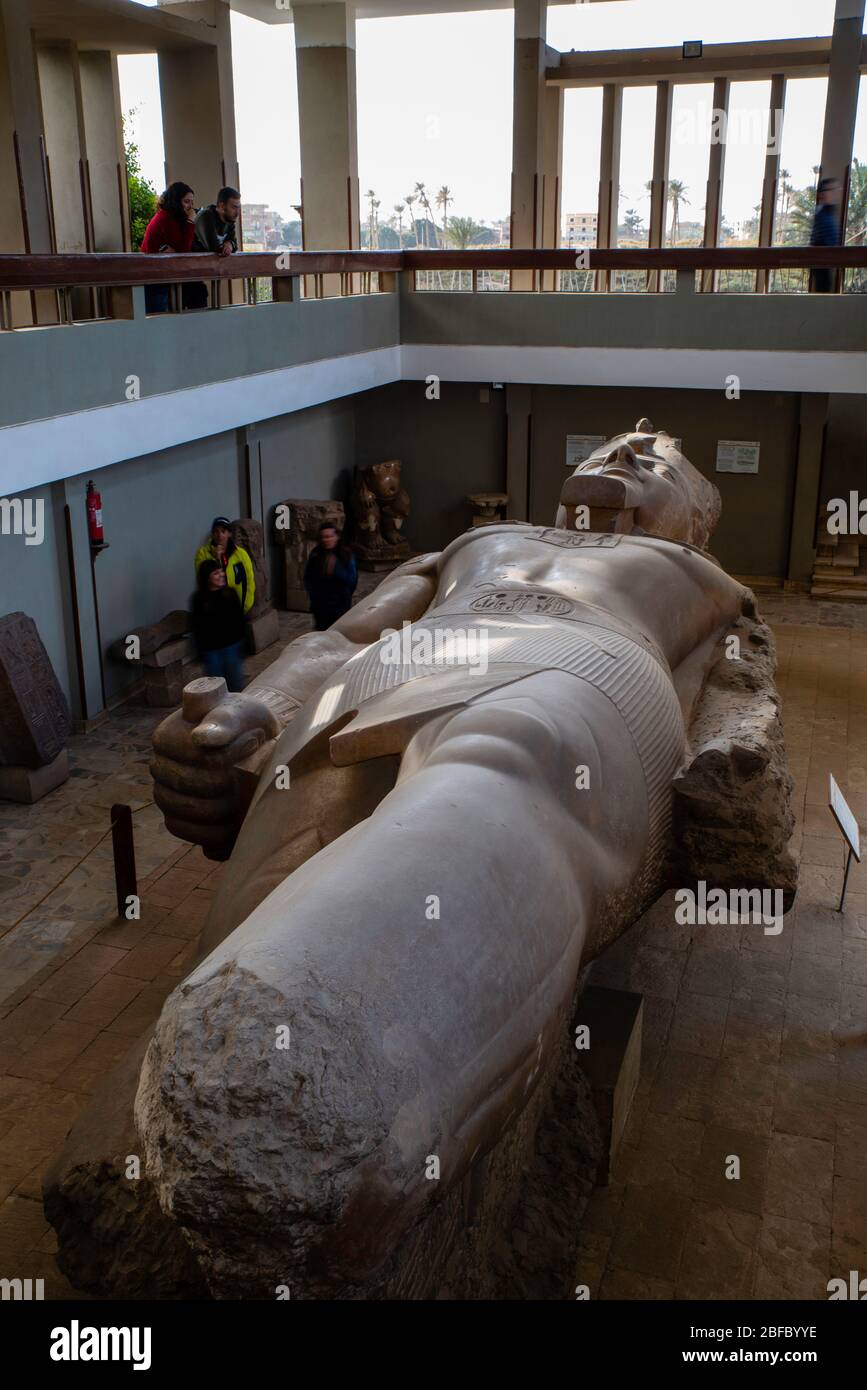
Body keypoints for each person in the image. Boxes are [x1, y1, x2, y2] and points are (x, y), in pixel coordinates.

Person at [140, 183, 203, 313]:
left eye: (192, 202)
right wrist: (191, 222)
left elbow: (180, 249)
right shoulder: (166, 218)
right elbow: (184, 250)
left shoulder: (170, 217)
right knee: (158, 319)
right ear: (175, 200)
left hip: (161, 276)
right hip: (155, 278)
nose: (190, 206)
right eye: (186, 201)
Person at [192, 560, 246, 692]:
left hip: (231, 647)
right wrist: (200, 651)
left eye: (221, 571)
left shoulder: (230, 594)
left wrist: (243, 644)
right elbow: (197, 627)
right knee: (216, 689)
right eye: (216, 573)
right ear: (207, 577)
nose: (221, 575)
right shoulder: (199, 599)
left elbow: (240, 621)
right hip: (212, 651)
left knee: (235, 686)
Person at [194, 517, 255, 616]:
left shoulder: (241, 554)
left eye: (223, 531)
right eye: (216, 532)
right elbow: (202, 578)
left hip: (237, 608)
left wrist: (245, 606)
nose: (220, 535)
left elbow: (249, 581)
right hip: (212, 611)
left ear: (229, 534)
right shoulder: (202, 554)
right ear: (212, 534)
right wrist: (216, 559)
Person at [303, 520, 358, 630]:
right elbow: (308, 577)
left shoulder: (346, 554)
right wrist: (313, 596)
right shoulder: (316, 554)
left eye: (329, 536)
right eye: (324, 537)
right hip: (320, 604)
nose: (326, 540)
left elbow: (352, 580)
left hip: (340, 603)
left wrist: (337, 571)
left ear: (337, 537)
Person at [810, 176, 842, 294]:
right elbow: (820, 241)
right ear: (823, 194)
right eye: (831, 190)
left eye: (836, 190)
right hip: (821, 264)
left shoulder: (827, 213)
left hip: (825, 263)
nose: (835, 193)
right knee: (823, 295)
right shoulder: (822, 215)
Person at [194, 188, 241, 257]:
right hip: (191, 264)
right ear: (222, 206)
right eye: (234, 207)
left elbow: (235, 245)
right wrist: (228, 245)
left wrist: (230, 244)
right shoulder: (206, 216)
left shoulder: (229, 220)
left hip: (211, 265)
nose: (237, 213)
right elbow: (213, 248)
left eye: (239, 207)